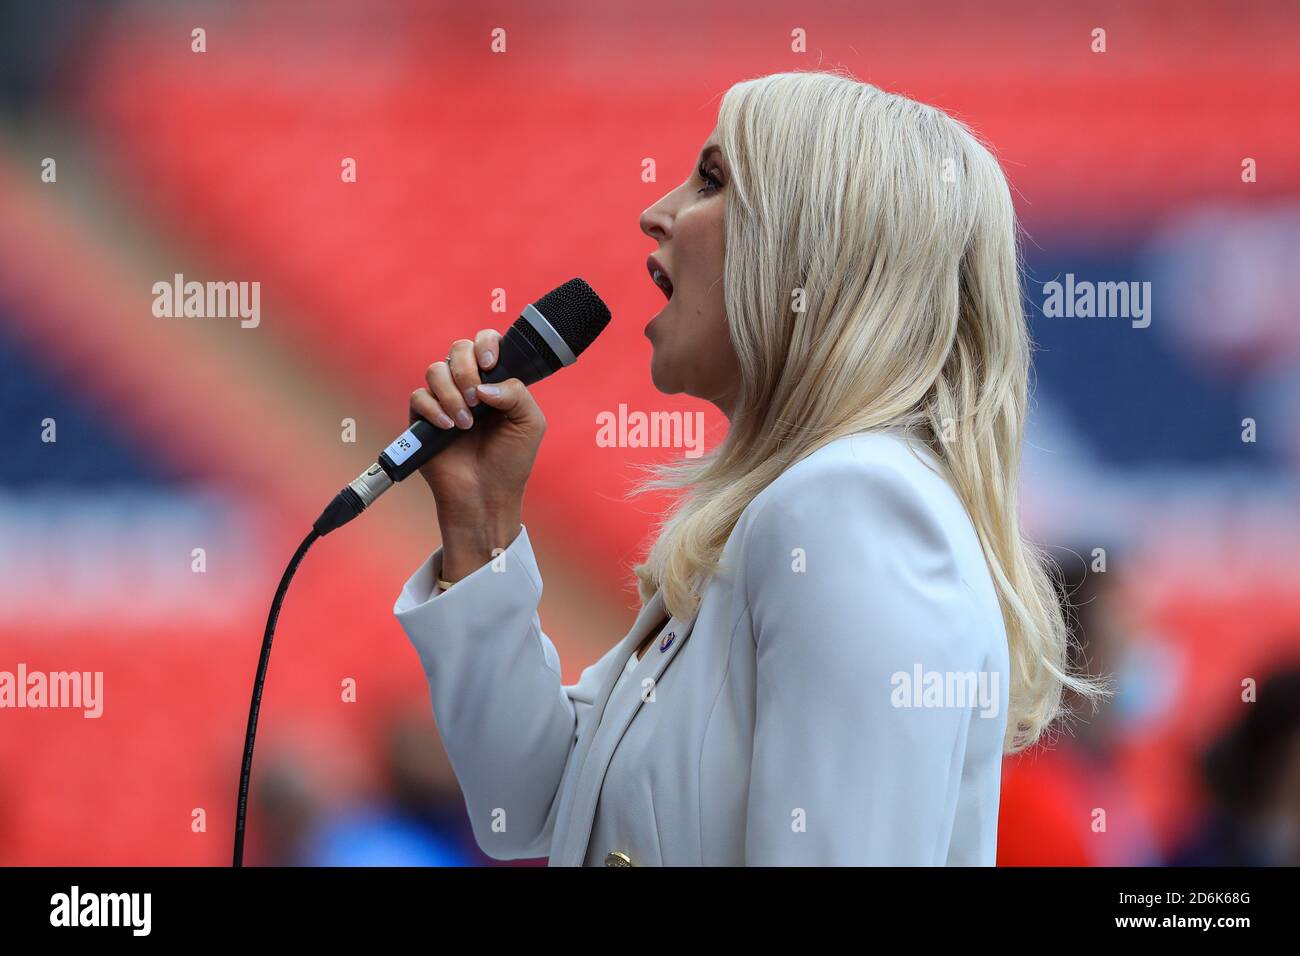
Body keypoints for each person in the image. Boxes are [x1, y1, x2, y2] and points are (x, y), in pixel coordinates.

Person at [392, 69, 1103, 866]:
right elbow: (531, 804)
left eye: (713, 179)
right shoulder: (789, 513)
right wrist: (480, 525)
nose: (655, 212)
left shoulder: (854, 504)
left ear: (818, 247)